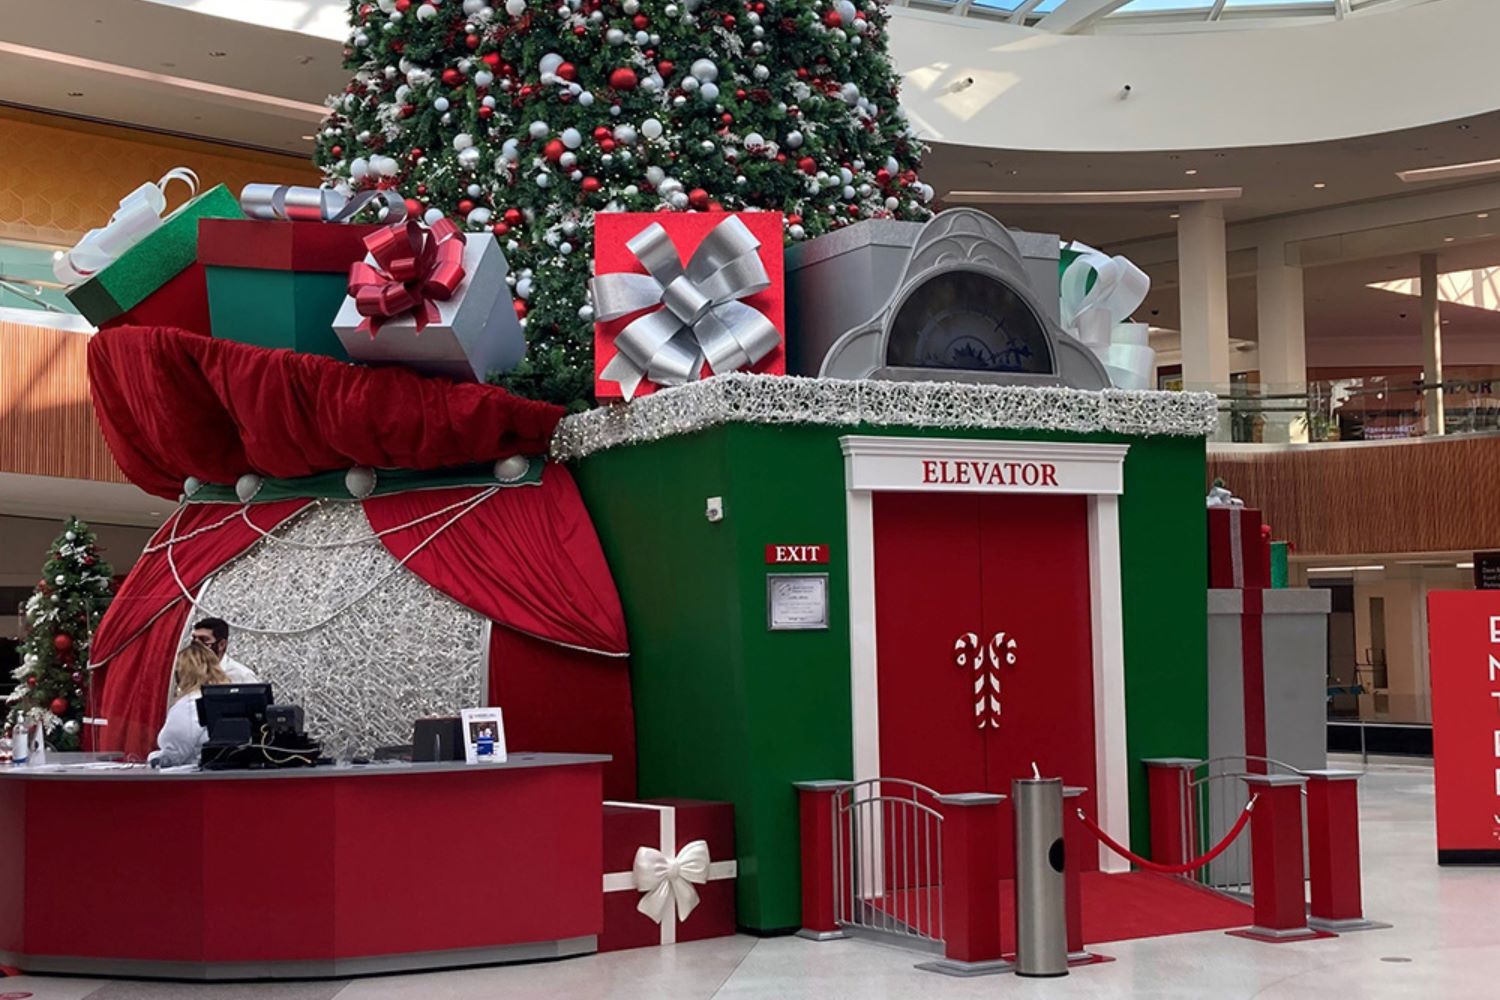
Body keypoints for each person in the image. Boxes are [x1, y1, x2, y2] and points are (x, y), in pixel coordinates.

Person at [150, 644, 229, 767]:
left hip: (193, 774)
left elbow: (173, 754)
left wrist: (152, 757)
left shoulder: (188, 705)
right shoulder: (226, 699)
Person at [191, 617, 258, 684]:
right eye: (194, 639)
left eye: (203, 639)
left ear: (221, 644)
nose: (196, 645)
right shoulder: (189, 672)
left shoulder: (242, 676)